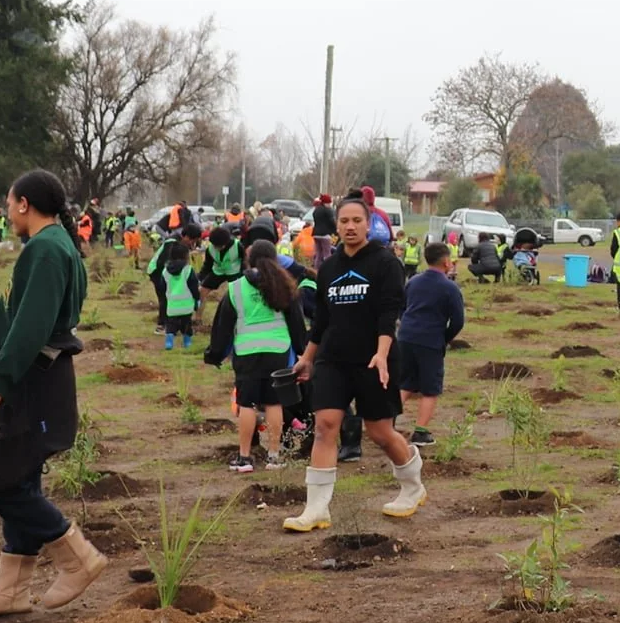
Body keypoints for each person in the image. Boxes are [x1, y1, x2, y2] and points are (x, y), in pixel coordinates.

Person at [0, 170, 105, 622]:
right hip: (43, 374)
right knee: (20, 480)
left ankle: (78, 558)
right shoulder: (59, 245)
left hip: (33, 382)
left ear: (23, 204)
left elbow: (36, 328)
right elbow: (36, 323)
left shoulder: (45, 249)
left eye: (7, 202)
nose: (5, 211)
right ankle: (11, 591)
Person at [281, 198, 425, 532]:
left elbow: (390, 313)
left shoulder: (386, 263)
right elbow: (321, 321)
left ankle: (412, 486)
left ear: (368, 222)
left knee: (379, 432)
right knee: (326, 425)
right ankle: (316, 509)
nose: (349, 226)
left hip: (375, 359)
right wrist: (307, 358)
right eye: (343, 220)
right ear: (336, 225)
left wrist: (382, 353)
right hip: (334, 359)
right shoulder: (329, 268)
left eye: (356, 220)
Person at [204, 240, 310, 473]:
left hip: (247, 353)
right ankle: (274, 457)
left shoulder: (236, 288)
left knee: (247, 404)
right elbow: (296, 323)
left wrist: (214, 354)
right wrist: (303, 352)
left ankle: (244, 458)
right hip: (278, 352)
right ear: (275, 259)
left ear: (249, 260)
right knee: (274, 403)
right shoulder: (285, 284)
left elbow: (222, 326)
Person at [398, 243, 465, 448]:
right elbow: (458, 320)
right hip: (430, 341)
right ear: (446, 262)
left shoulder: (413, 281)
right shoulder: (450, 287)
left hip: (406, 337)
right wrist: (443, 338)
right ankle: (420, 432)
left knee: (405, 383)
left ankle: (386, 423)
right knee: (430, 388)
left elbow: (402, 307)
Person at [159, 241, 201, 349]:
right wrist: (197, 299)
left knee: (171, 325)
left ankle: (169, 342)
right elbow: (194, 287)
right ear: (186, 256)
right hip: (186, 305)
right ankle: (187, 342)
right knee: (187, 325)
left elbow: (162, 287)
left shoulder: (165, 271)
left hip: (172, 305)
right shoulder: (188, 270)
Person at [310, 194, 337, 266]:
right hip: (325, 235)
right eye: (329, 203)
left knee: (318, 254)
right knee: (327, 254)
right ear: (325, 203)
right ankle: (328, 269)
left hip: (316, 234)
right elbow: (332, 222)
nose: (329, 205)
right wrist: (336, 231)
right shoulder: (327, 210)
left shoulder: (316, 210)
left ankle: (316, 270)